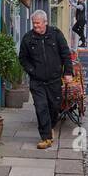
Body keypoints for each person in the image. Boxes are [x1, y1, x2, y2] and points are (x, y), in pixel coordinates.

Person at [19, 10, 73, 150]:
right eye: (34, 23)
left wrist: (68, 72)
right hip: (37, 82)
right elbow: (23, 58)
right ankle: (46, 137)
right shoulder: (28, 38)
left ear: (45, 22)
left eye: (38, 23)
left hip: (54, 80)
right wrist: (32, 71)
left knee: (54, 107)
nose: (35, 26)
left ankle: (50, 127)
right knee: (41, 107)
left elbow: (65, 53)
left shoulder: (55, 34)